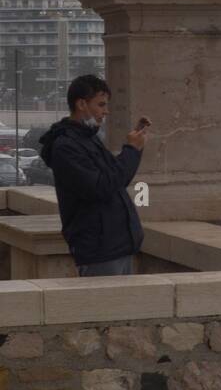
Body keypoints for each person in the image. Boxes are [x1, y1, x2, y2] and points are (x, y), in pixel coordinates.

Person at [39, 75, 151, 277]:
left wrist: (135, 148)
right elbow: (102, 187)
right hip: (99, 250)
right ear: (81, 103)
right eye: (100, 105)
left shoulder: (88, 138)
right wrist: (131, 150)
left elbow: (115, 177)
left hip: (116, 247)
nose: (105, 112)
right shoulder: (66, 147)